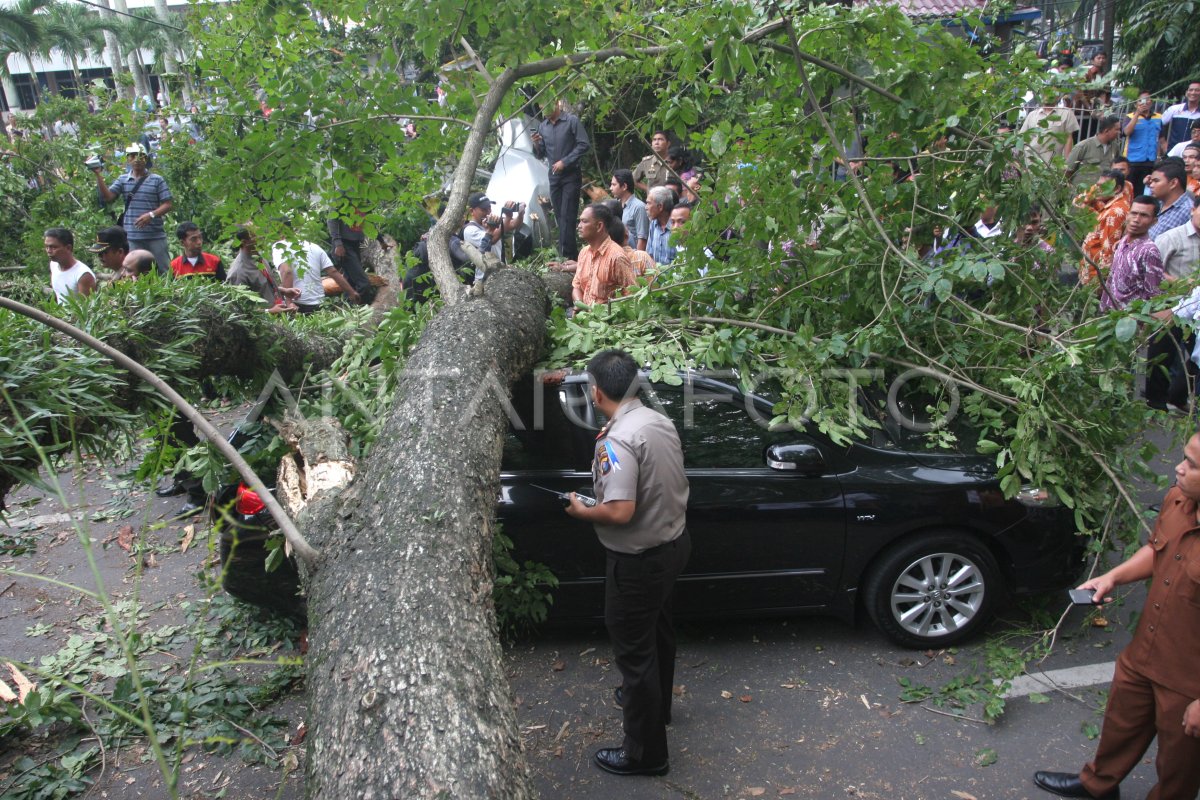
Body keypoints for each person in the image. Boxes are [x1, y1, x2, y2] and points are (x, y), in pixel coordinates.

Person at [1033, 431, 1200, 800]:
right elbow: (1157, 552)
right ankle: (1098, 785)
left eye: (1191, 464)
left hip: (1190, 682)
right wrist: (1112, 577)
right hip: (1145, 654)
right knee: (1121, 726)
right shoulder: (1178, 500)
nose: (1179, 468)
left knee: (1179, 767)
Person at [563, 348, 690, 777]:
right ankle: (660, 708)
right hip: (673, 544)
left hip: (637, 561)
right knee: (658, 632)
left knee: (635, 656)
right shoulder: (657, 420)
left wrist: (582, 512)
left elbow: (618, 511)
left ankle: (645, 755)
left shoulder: (617, 439)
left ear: (596, 393)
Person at [91, 142, 173, 275]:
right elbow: (108, 197)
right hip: (132, 236)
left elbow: (167, 204)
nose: (137, 160)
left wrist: (151, 214)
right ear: (128, 159)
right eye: (132, 156)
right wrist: (98, 176)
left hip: (155, 235)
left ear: (146, 159)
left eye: (140, 156)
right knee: (134, 272)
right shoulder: (123, 180)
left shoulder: (157, 180)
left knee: (163, 270)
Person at [532, 98, 590, 260]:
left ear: (557, 103)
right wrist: (536, 144)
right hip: (554, 177)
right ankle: (567, 255)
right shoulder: (543, 126)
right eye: (541, 106)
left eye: (546, 105)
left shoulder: (571, 121)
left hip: (571, 174)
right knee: (559, 216)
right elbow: (540, 154)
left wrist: (565, 161)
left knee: (568, 214)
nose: (543, 109)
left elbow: (584, 144)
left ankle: (567, 256)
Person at [1100, 195, 1164, 313]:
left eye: (1144, 215)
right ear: (1127, 214)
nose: (1137, 219)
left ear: (1154, 221)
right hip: (1110, 315)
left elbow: (1154, 295)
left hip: (1130, 320)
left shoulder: (1149, 251)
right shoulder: (1123, 241)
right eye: (1134, 213)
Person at [571, 203, 635, 307]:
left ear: (599, 226)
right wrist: (579, 304)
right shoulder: (583, 253)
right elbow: (576, 286)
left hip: (608, 320)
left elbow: (632, 295)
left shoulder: (617, 256)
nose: (579, 226)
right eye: (580, 221)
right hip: (585, 317)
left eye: (584, 221)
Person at [273, 239, 360, 313]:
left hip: (297, 303)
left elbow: (286, 271)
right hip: (320, 303)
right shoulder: (313, 246)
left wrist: (288, 302)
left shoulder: (279, 246)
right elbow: (333, 271)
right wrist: (351, 292)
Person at [1074, 170, 1130, 284]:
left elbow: (1108, 253)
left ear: (1116, 189)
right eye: (1096, 186)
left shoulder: (1114, 213)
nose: (1096, 189)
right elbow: (1078, 201)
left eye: (1101, 187)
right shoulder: (1108, 202)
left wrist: (1098, 284)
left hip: (1096, 278)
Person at [226, 225, 296, 312]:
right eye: (257, 236)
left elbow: (261, 288)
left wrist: (284, 291)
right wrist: (269, 311)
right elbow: (239, 310)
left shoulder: (259, 257)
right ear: (244, 242)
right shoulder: (238, 272)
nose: (263, 237)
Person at [461, 193, 525, 273]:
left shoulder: (490, 223)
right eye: (484, 209)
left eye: (489, 208)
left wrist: (521, 212)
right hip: (484, 277)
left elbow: (513, 224)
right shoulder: (469, 230)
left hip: (499, 272)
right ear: (471, 211)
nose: (488, 212)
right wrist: (507, 217)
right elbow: (492, 239)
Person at [326, 206, 374, 303]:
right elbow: (332, 220)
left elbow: (369, 223)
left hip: (355, 244)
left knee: (350, 282)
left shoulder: (364, 200)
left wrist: (381, 241)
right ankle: (360, 310)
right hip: (343, 246)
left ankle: (349, 309)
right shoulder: (341, 196)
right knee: (363, 283)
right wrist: (338, 243)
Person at [1122, 91, 1165, 193]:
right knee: (1130, 189)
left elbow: (1161, 139)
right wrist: (1137, 113)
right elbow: (1126, 132)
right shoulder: (1130, 117)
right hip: (1133, 160)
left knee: (1146, 190)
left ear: (1151, 102)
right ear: (1136, 103)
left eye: (1147, 100)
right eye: (1141, 100)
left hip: (1150, 161)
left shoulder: (1158, 117)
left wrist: (1160, 156)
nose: (1144, 103)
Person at [1019, 92, 1079, 164]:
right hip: (1032, 162)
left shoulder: (1066, 113)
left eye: (1051, 93)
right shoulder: (1032, 115)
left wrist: (1067, 163)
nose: (1047, 95)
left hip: (1054, 162)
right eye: (1045, 92)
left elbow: (1068, 138)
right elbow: (1022, 138)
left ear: (1058, 97)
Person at [1067, 116, 1122, 187]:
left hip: (1103, 193)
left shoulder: (1115, 147)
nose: (1119, 132)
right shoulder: (1083, 146)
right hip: (1082, 193)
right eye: (1117, 130)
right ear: (1107, 131)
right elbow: (1067, 171)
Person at [1145, 159, 1194, 240]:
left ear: (1173, 183)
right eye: (1151, 181)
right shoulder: (1160, 203)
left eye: (1156, 181)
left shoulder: (1187, 211)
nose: (1151, 185)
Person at [45, 227, 96, 303]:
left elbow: (86, 309)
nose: (49, 251)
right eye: (47, 247)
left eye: (53, 247)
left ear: (68, 248)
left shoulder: (83, 275)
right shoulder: (54, 265)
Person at [1156, 201, 1200, 282]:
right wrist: (1183, 283)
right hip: (1174, 293)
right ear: (1193, 210)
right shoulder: (1170, 238)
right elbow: (1151, 271)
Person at [611, 169, 649, 251]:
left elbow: (642, 239)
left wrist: (638, 260)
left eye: (614, 185)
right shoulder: (615, 205)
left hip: (633, 256)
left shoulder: (639, 207)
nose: (611, 188)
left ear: (624, 186)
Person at [1161, 81, 1200, 152]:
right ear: (1186, 93)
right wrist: (1163, 143)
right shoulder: (1174, 109)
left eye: (1197, 90)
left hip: (1194, 153)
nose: (1193, 92)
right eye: (1191, 90)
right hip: (1173, 151)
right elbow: (1159, 125)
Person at [645, 186, 676, 266]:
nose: (646, 207)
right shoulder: (653, 224)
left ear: (660, 207)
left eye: (648, 203)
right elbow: (649, 255)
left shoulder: (676, 226)